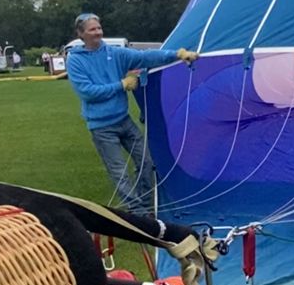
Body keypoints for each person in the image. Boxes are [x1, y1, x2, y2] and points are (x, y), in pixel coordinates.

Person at [67, 13, 198, 215]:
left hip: (124, 120)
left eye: (99, 27)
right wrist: (121, 85)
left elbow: (145, 57)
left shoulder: (114, 53)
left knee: (146, 162)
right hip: (101, 127)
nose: (98, 32)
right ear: (81, 34)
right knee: (119, 173)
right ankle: (137, 213)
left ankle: (145, 206)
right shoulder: (75, 61)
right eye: (92, 29)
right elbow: (87, 92)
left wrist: (178, 54)